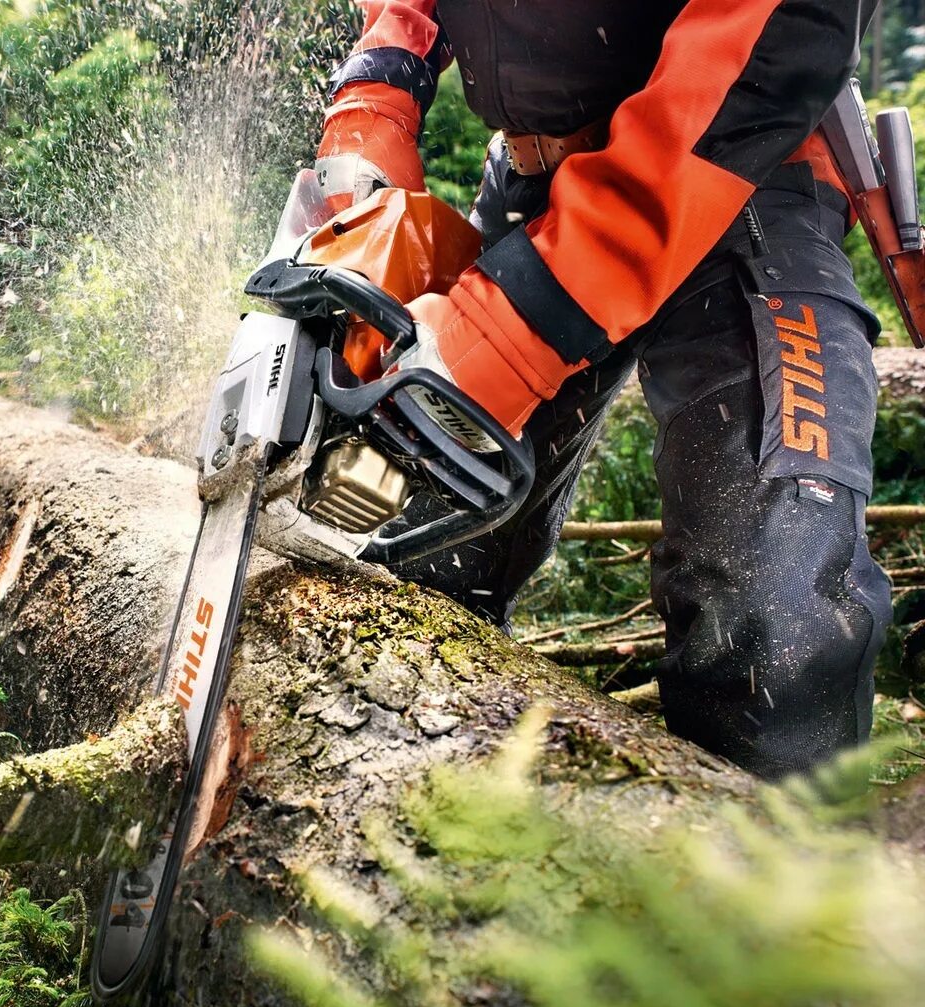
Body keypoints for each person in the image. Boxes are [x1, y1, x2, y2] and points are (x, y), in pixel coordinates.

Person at [316, 0, 893, 778]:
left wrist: (515, 326)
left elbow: (781, 26)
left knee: (774, 631)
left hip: (741, 170)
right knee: (417, 549)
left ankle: (767, 881)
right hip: (536, 182)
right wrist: (381, 88)